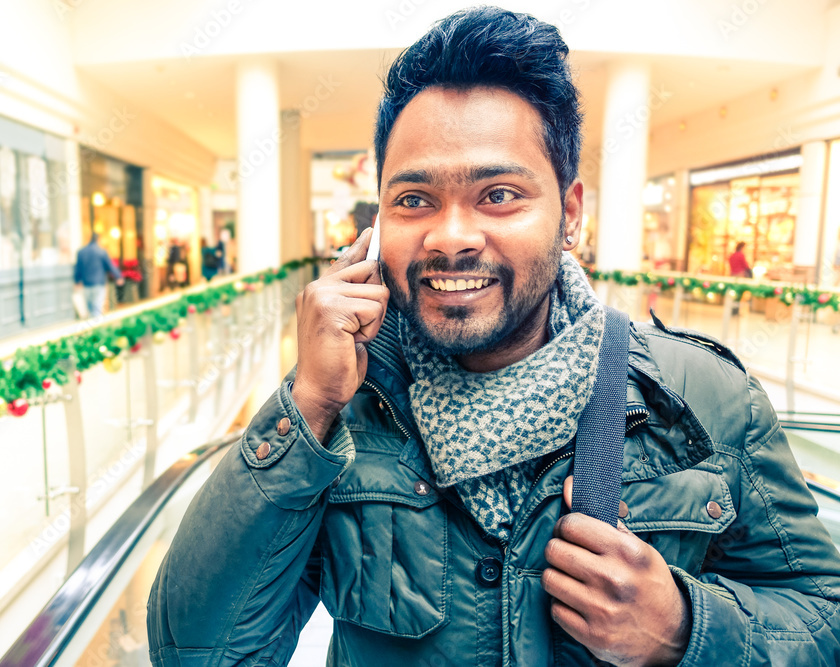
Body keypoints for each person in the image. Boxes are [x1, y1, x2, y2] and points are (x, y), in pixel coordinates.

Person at [147, 8, 840, 666]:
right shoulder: (345, 412)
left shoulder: (701, 399)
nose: (451, 236)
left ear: (569, 212)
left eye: (499, 194)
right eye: (414, 199)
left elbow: (823, 615)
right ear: (377, 221)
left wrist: (684, 627)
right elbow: (198, 650)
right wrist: (307, 408)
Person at [73, 232, 123, 318]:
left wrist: (77, 281)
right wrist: (118, 276)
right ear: (98, 240)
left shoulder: (81, 252)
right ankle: (95, 328)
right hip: (99, 284)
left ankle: (91, 327)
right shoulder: (102, 252)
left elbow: (78, 268)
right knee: (97, 309)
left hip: (86, 285)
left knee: (90, 309)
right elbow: (110, 266)